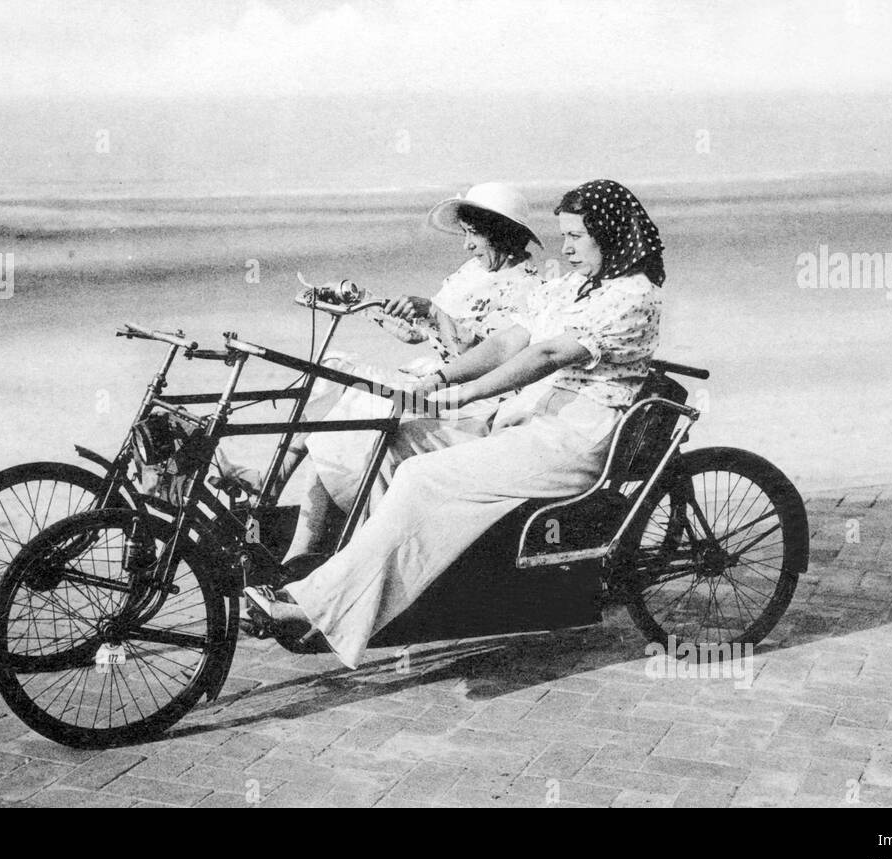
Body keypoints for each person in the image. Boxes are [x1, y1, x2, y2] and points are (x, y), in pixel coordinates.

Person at [245, 179, 666, 668]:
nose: (566, 247)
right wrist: (440, 380)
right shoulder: (575, 285)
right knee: (394, 441)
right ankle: (391, 588)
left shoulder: (635, 294)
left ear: (610, 234)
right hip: (528, 416)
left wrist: (463, 393)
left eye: (576, 236)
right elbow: (511, 342)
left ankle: (315, 604)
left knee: (422, 477)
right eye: (564, 235)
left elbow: (549, 353)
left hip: (574, 436)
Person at [273, 183, 545, 560]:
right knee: (331, 370)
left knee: (356, 408)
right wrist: (371, 304)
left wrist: (433, 312)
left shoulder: (529, 287)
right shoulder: (472, 272)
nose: (467, 245)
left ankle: (315, 547)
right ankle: (276, 493)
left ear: (502, 232)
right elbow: (417, 337)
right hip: (431, 381)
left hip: (469, 402)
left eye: (474, 234)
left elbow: (478, 352)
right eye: (465, 234)